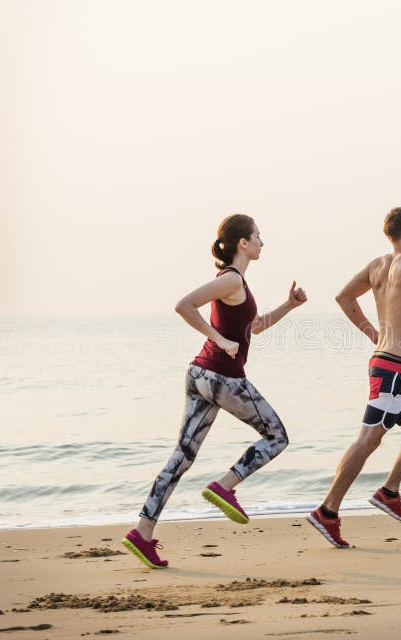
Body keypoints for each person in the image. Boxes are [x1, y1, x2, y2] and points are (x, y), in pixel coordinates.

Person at [122, 214, 306, 568]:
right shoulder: (231, 279)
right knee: (277, 436)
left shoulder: (237, 285)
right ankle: (226, 485)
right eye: (257, 236)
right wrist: (219, 339)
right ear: (243, 243)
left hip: (199, 377)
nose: (262, 243)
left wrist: (289, 305)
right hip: (221, 377)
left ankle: (142, 532)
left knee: (183, 456)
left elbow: (254, 327)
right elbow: (184, 305)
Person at [307, 203, 401, 548]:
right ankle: (327, 511)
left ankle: (389, 492)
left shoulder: (377, 266)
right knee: (368, 440)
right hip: (393, 369)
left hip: (392, 366)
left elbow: (343, 297)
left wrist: (372, 332)